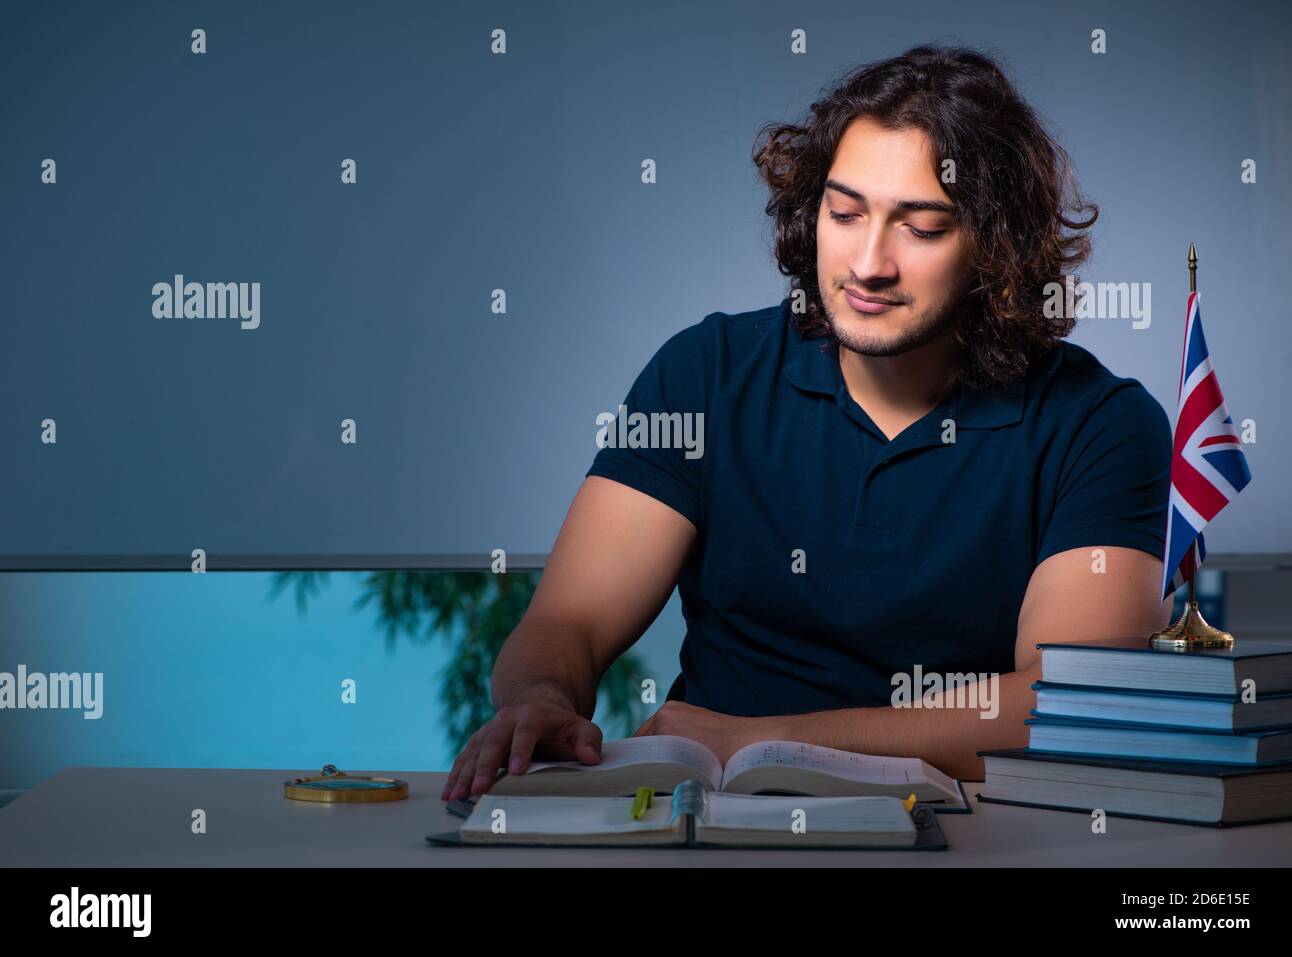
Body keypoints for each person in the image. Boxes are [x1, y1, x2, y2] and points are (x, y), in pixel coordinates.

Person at [441, 44, 1174, 801]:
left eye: (921, 228)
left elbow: (1066, 707)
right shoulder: (707, 370)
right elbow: (570, 620)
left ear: (996, 246)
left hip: (964, 833)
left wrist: (760, 741)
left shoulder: (1101, 424)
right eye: (845, 212)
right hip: (714, 824)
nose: (868, 262)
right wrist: (540, 699)